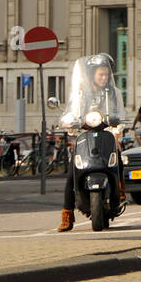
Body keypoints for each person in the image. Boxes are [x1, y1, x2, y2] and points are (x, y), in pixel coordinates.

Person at [57, 53, 126, 232]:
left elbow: (121, 114)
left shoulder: (114, 93)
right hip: (86, 134)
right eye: (99, 75)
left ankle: (120, 191)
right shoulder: (82, 92)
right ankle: (67, 214)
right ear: (92, 75)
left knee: (118, 160)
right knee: (73, 171)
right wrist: (68, 120)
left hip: (107, 134)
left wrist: (117, 133)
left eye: (105, 75)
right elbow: (73, 110)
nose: (103, 78)